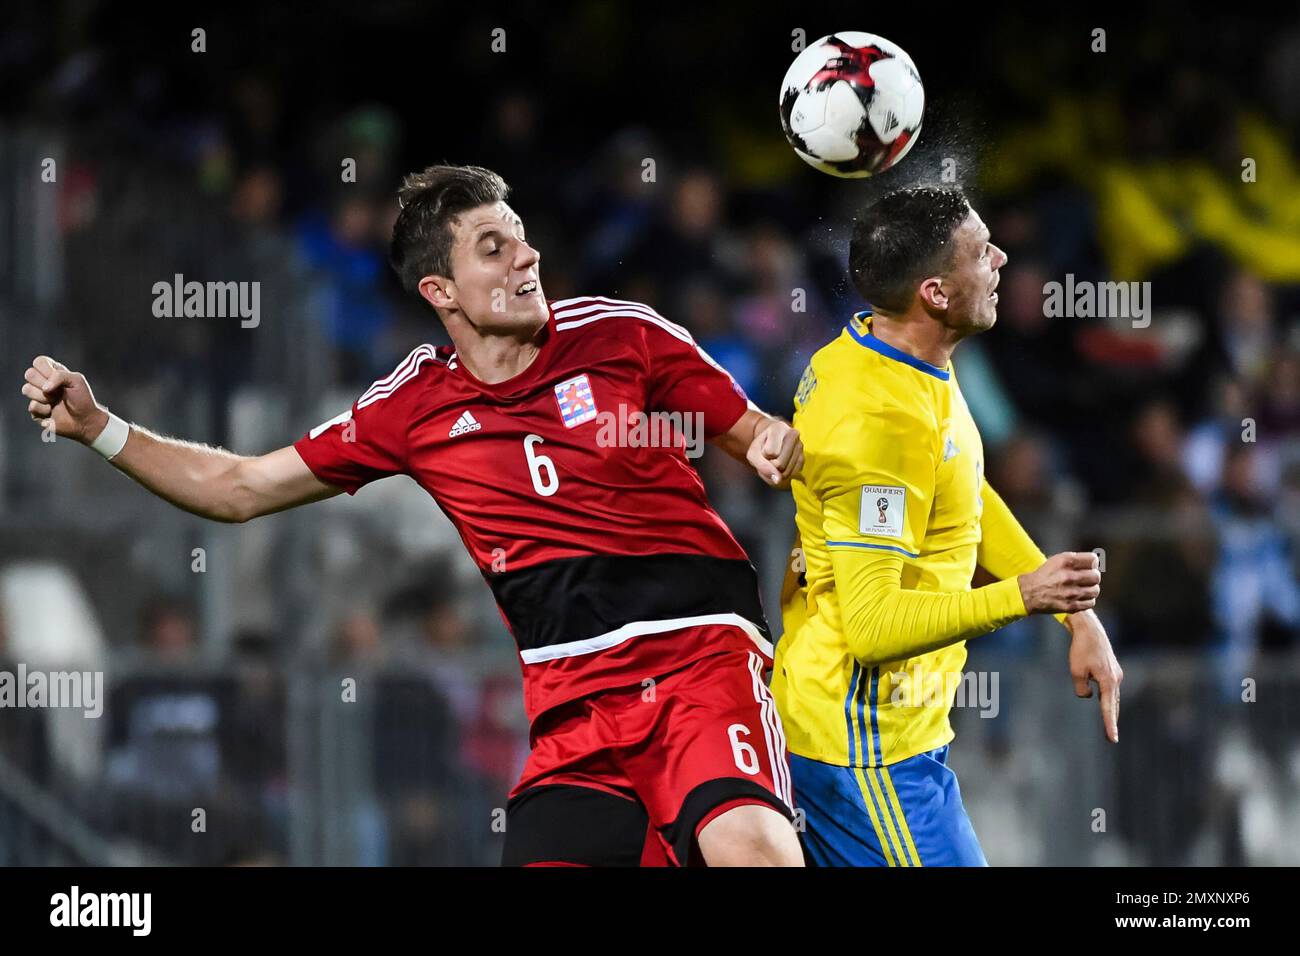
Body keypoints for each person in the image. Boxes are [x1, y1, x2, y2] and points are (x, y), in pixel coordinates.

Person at [21, 164, 804, 867]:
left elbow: (752, 430)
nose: (525, 258)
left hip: (702, 667)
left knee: (749, 851)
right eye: (493, 249)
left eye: (522, 240)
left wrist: (771, 442)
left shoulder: (621, 333)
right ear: (440, 291)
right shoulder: (413, 407)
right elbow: (241, 487)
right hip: (575, 715)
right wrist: (103, 430)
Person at [772, 184, 1123, 867]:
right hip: (864, 754)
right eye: (979, 252)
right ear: (934, 292)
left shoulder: (894, 356)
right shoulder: (881, 423)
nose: (999, 258)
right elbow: (873, 627)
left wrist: (1076, 617)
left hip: (886, 742)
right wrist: (1025, 597)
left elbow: (962, 494)